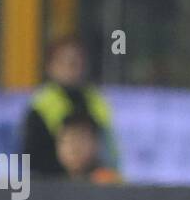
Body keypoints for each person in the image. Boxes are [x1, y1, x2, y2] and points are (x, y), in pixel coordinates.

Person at [21, 37, 120, 179]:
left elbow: (110, 147)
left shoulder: (96, 100)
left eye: (76, 61)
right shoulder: (40, 105)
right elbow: (32, 157)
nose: (71, 67)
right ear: (50, 66)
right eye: (64, 62)